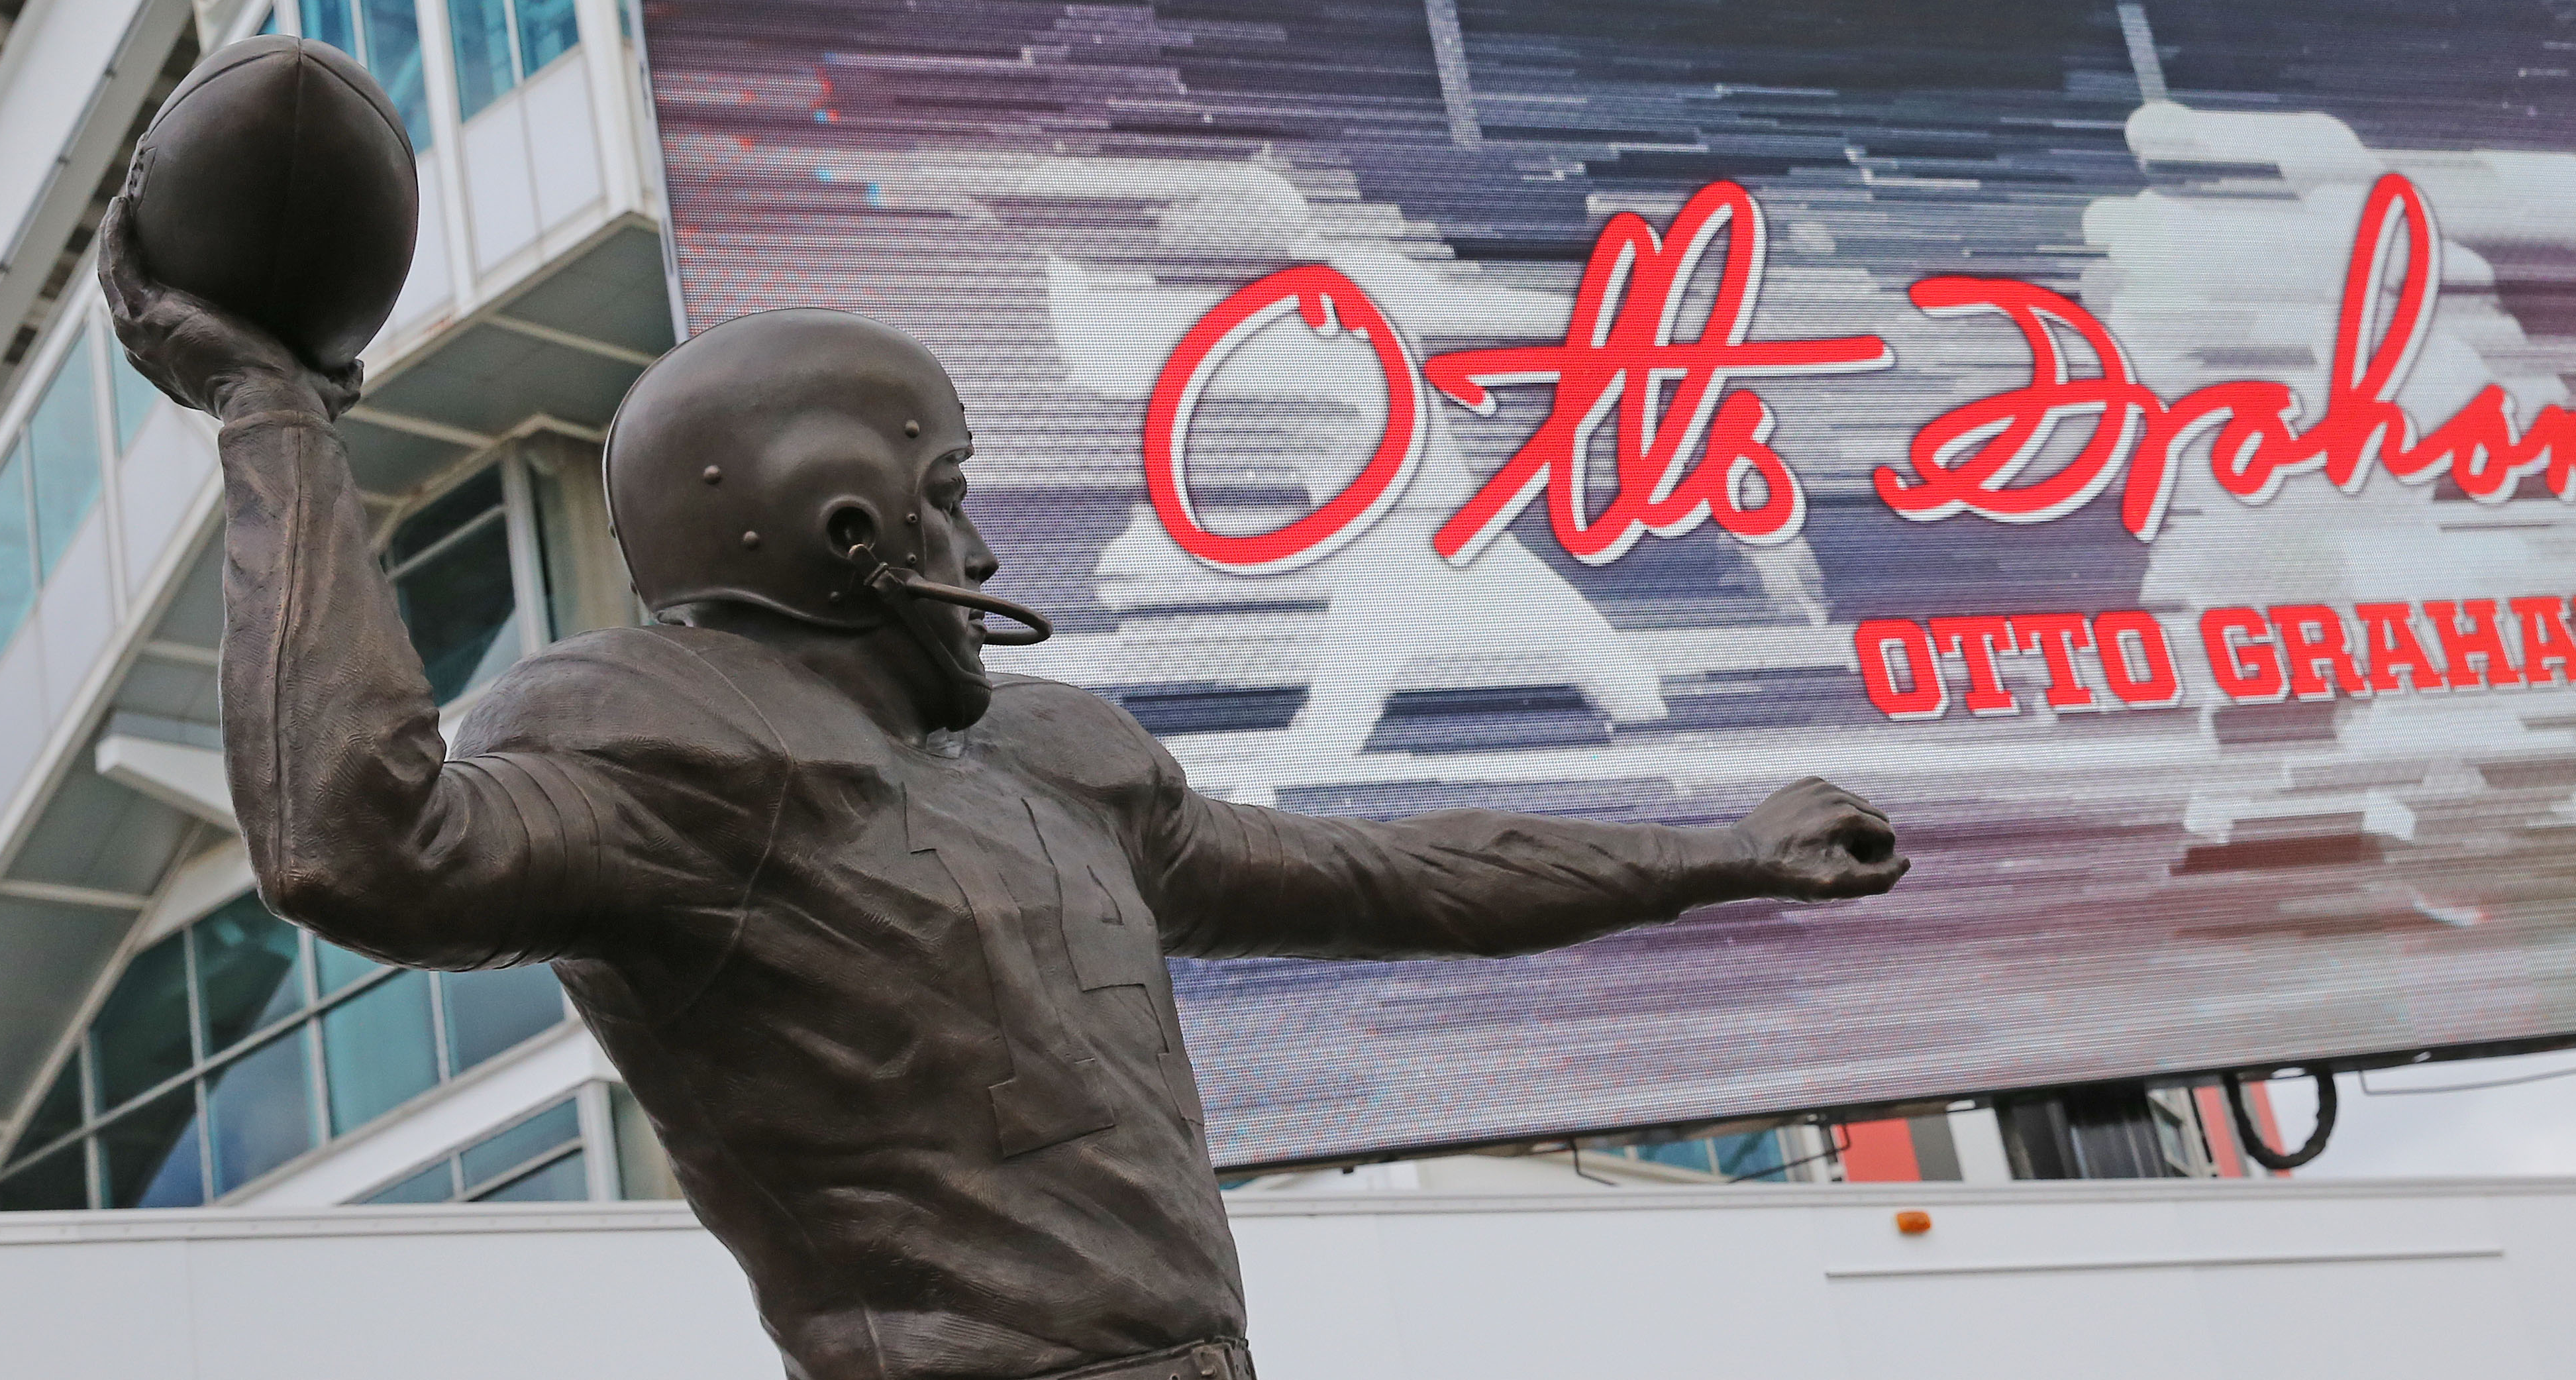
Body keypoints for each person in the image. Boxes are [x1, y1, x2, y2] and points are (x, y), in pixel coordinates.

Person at [99, 184, 1906, 1380]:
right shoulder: (651, 740)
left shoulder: (1063, 757)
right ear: (846, 515)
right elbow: (359, 838)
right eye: (945, 486)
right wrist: (278, 421)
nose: (972, 530)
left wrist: (1712, 859)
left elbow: (1393, 874)